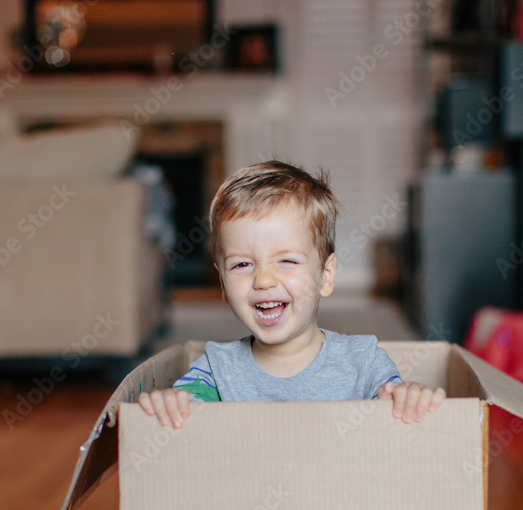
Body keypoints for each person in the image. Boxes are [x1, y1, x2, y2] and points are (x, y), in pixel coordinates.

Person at [139, 160, 446, 427]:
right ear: (222, 283)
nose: (264, 279)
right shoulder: (216, 369)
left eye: (286, 261)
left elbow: (393, 403)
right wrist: (173, 403)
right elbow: (185, 403)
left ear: (326, 276)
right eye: (242, 264)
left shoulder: (363, 363)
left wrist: (409, 397)